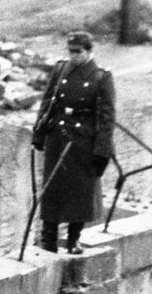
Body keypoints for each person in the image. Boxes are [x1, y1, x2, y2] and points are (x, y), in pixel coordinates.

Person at [31, 31, 116, 255]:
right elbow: (47, 101)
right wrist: (39, 131)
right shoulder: (60, 70)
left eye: (78, 52)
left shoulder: (101, 77)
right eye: (71, 51)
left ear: (89, 51)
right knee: (52, 188)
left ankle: (73, 239)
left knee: (81, 191)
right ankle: (48, 238)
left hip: (83, 141)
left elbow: (107, 118)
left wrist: (102, 149)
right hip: (58, 137)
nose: (74, 56)